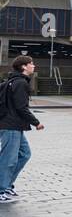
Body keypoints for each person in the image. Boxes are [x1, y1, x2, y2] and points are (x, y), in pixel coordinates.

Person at [0, 55, 45, 202]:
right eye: (31, 64)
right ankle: (1, 190)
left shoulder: (15, 81)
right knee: (8, 159)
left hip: (14, 125)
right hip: (11, 125)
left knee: (25, 154)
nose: (34, 66)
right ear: (24, 67)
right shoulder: (20, 83)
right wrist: (36, 122)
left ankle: (6, 185)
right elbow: (21, 107)